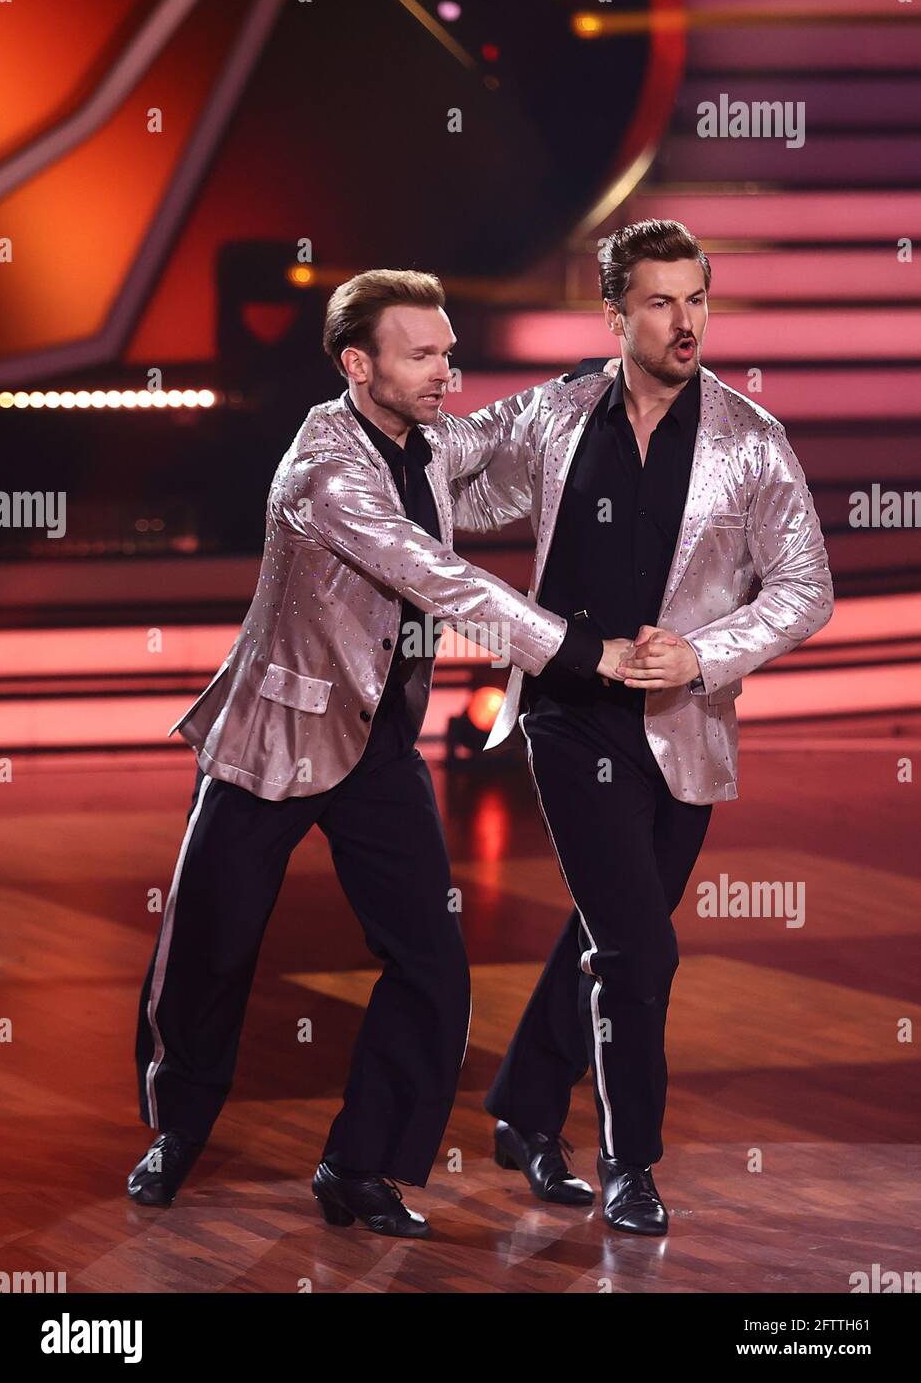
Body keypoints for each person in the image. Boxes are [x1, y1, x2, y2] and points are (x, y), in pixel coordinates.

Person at [128, 268, 620, 1237]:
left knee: (433, 964)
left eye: (447, 349)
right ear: (359, 366)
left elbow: (483, 435)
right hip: (277, 732)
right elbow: (439, 577)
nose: (450, 369)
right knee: (210, 952)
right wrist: (577, 651)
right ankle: (176, 1128)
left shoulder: (423, 438)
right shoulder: (327, 472)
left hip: (378, 743)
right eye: (425, 354)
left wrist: (590, 381)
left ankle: (361, 1166)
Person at [451, 219, 835, 1234]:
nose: (685, 322)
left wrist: (703, 654)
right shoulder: (559, 409)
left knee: (613, 931)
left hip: (684, 727)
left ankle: (525, 1110)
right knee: (640, 951)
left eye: (697, 299)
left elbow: (807, 588)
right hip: (572, 718)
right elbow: (455, 464)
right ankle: (632, 1163)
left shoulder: (752, 441)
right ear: (616, 314)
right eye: (660, 303)